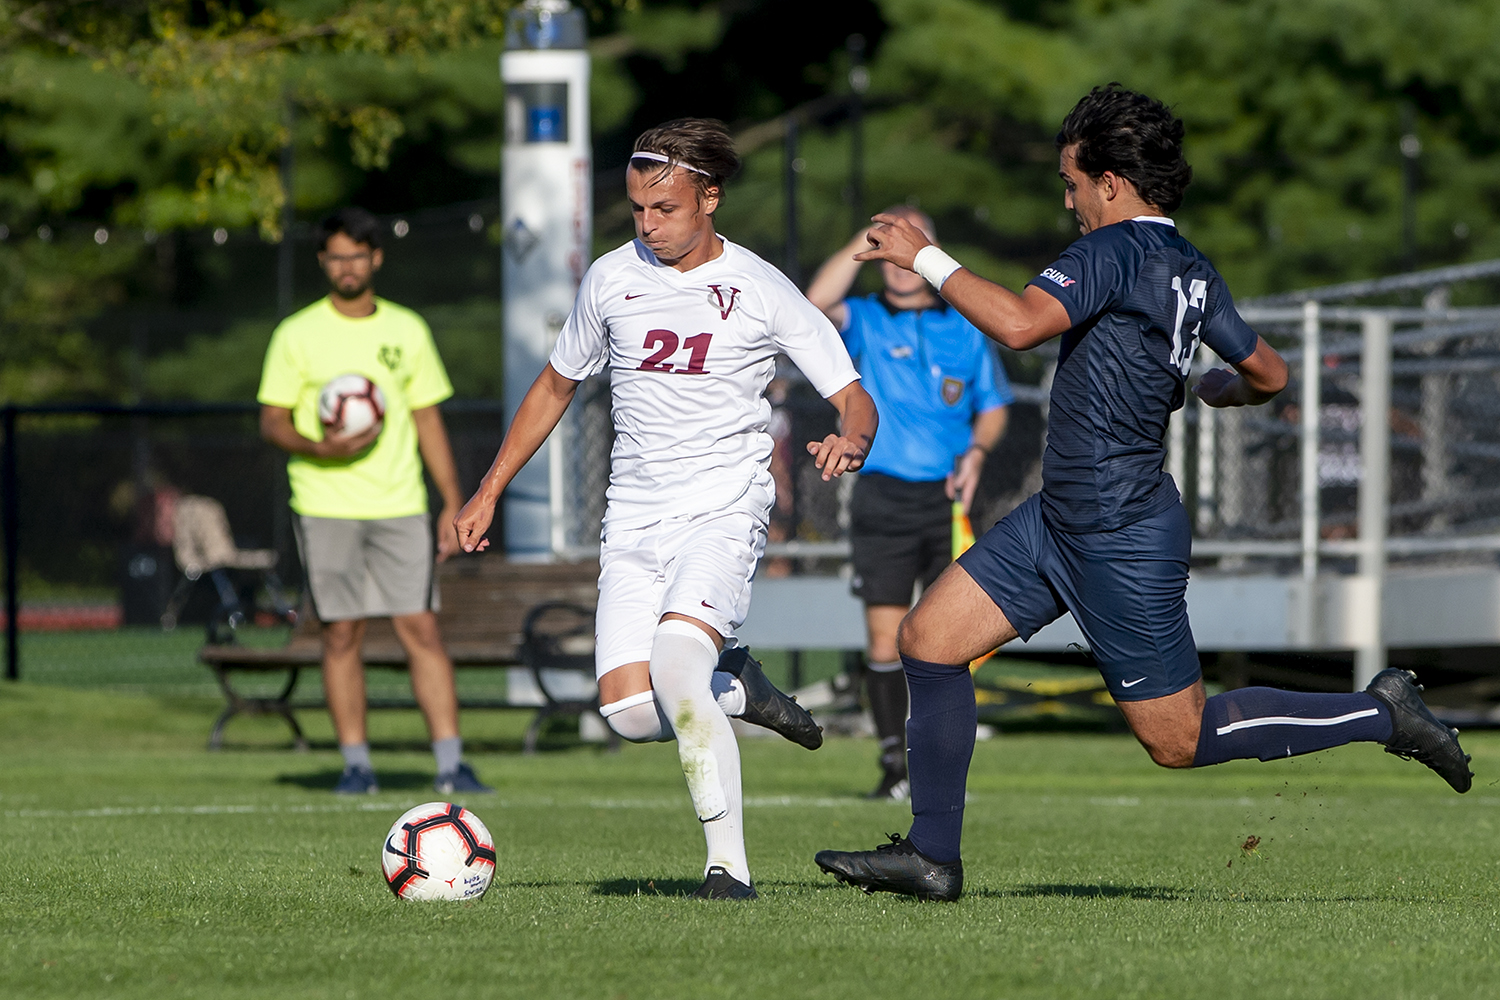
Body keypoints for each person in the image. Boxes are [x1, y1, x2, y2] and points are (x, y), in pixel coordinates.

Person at [814, 85, 1473, 902]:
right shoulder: (1191, 265)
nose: (1068, 200)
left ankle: (1384, 713)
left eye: (1071, 182)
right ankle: (931, 856)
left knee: (1180, 739)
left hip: (1121, 531)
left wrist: (925, 257)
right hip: (1060, 516)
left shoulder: (1110, 249)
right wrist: (1232, 392)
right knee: (929, 640)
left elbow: (1020, 324)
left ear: (1112, 185)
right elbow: (1271, 369)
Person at [455, 118, 878, 900]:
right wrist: (488, 488)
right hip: (636, 518)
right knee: (625, 709)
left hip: (724, 506)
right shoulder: (611, 278)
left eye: (665, 209)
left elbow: (852, 395)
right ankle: (740, 687)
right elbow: (556, 386)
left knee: (678, 669)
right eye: (637, 210)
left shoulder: (757, 286)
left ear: (709, 197)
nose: (648, 225)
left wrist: (850, 438)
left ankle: (728, 869)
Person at [258, 206, 490, 796]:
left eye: (357, 255)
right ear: (323, 262)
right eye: (336, 256)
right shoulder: (297, 334)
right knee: (341, 634)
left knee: (420, 628)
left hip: (400, 504)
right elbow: (273, 422)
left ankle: (450, 764)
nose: (347, 266)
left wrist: (451, 502)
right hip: (324, 503)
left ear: (376, 259)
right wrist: (321, 447)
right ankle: (357, 765)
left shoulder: (406, 330)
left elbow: (428, 419)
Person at [807, 207, 1013, 800]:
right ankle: (894, 764)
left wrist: (977, 450)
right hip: (882, 497)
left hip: (946, 503)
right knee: (883, 639)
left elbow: (995, 406)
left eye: (905, 244)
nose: (893, 258)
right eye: (882, 244)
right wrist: (864, 238)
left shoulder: (966, 328)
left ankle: (941, 764)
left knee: (947, 640)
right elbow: (814, 304)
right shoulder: (865, 319)